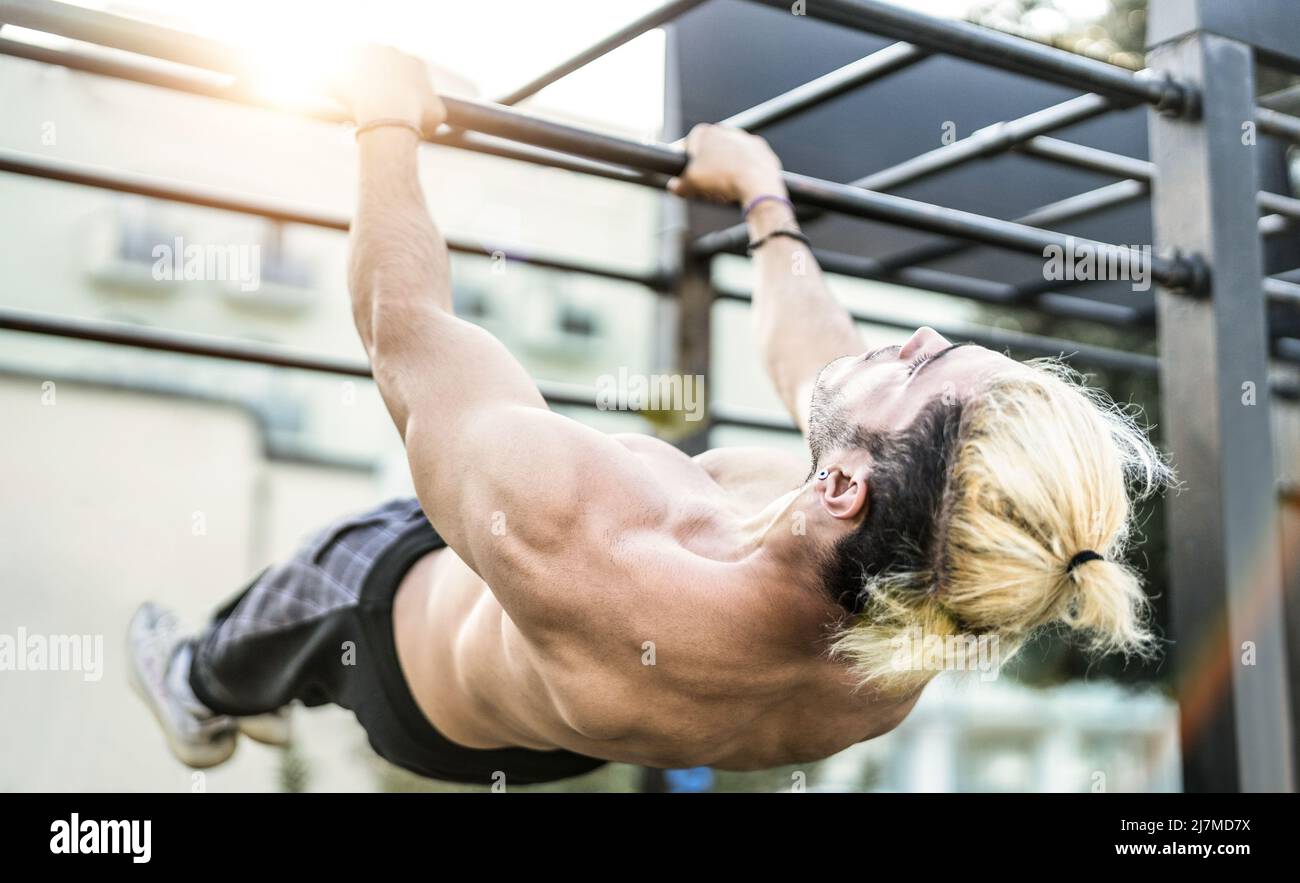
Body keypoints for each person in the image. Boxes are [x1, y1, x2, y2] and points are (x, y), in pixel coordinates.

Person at [128, 46, 1171, 785]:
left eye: (918, 363)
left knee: (323, 575)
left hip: (407, 652)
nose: (904, 341)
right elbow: (822, 365)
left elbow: (404, 330)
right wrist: (763, 199)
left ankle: (200, 694)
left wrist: (383, 114)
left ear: (843, 485)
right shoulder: (927, 620)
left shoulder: (582, 526)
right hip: (564, 734)